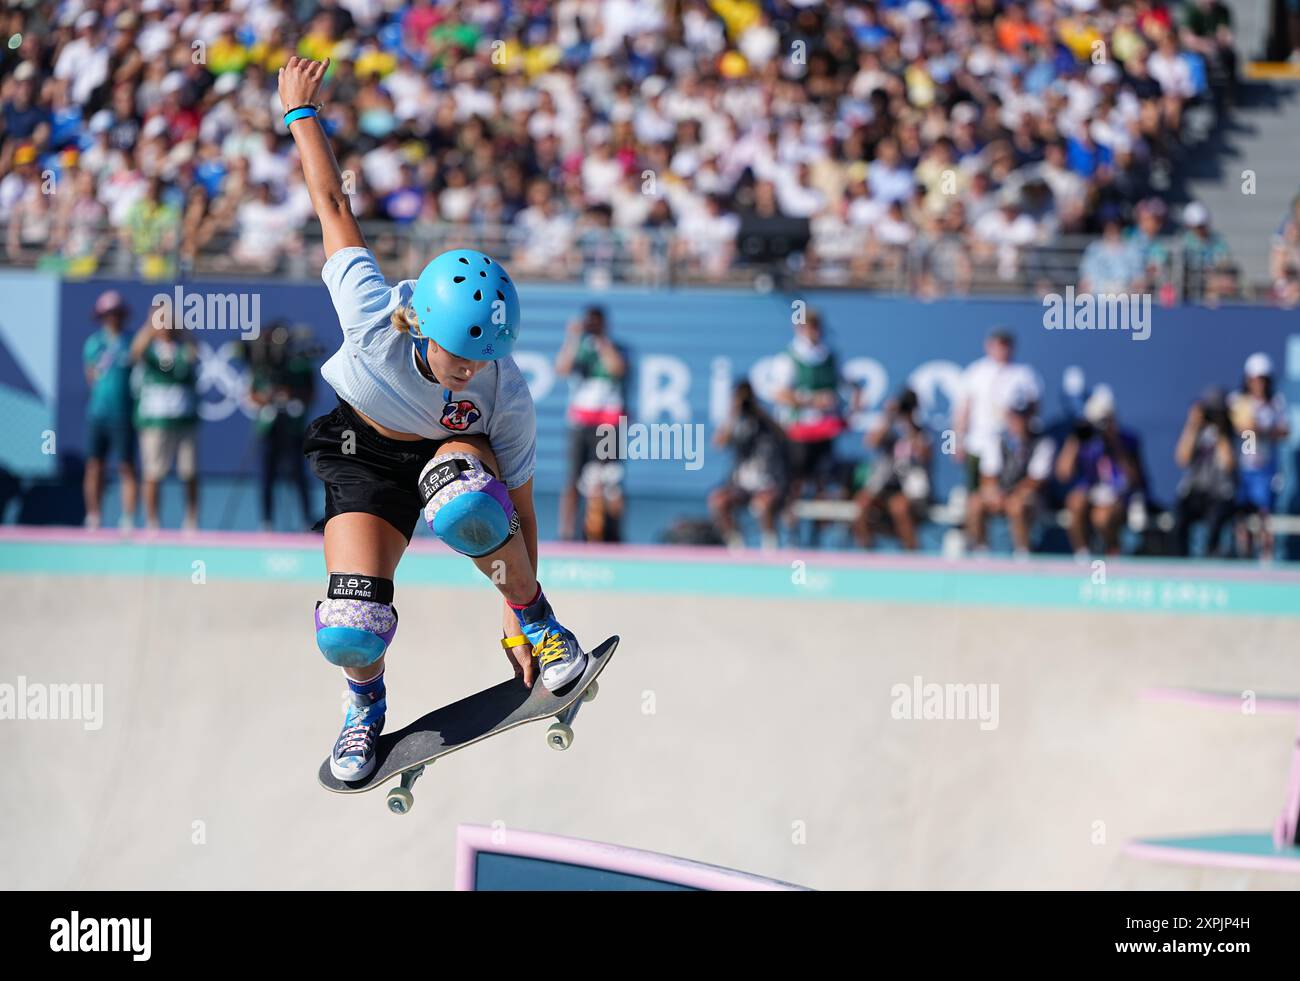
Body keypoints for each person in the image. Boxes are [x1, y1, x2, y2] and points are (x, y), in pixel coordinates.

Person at [279, 57, 587, 784]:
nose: (472, 369)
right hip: (362, 457)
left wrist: (523, 612)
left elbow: (522, 506)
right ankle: (364, 706)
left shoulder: (503, 391)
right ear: (420, 324)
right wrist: (300, 115)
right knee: (350, 627)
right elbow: (332, 204)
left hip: (450, 459)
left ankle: (550, 627)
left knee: (466, 496)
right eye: (459, 356)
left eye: (485, 358)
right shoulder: (371, 315)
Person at [770, 309, 850, 537]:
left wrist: (849, 400)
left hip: (824, 431)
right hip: (798, 432)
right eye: (808, 326)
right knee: (794, 480)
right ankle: (791, 528)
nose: (813, 331)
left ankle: (819, 535)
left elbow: (843, 384)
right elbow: (779, 393)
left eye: (816, 326)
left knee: (823, 480)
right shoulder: (789, 358)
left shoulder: (829, 356)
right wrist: (812, 401)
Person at [554, 305, 628, 542]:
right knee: (573, 481)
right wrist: (574, 337)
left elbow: (617, 369)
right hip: (580, 421)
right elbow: (562, 369)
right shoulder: (578, 348)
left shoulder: (616, 348)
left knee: (610, 483)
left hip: (608, 422)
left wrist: (602, 341)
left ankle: (614, 533)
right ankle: (566, 534)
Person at [129, 304, 201, 531]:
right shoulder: (151, 349)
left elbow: (195, 353)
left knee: (188, 472)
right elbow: (136, 351)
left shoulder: (182, 349)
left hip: (183, 422)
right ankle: (152, 522)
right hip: (155, 422)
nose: (165, 326)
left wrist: (181, 328)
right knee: (153, 472)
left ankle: (191, 521)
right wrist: (151, 324)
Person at [243, 321, 319, 531]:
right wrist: (267, 399)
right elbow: (251, 394)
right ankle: (266, 521)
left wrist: (290, 395)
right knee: (267, 475)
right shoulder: (260, 366)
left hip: (293, 428)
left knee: (298, 473)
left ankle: (306, 519)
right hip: (268, 428)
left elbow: (310, 394)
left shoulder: (299, 365)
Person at [966, 385, 1056, 557]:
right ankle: (980, 554)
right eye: (1015, 414)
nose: (1018, 420)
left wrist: (1010, 496)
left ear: (1031, 415)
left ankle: (1023, 555)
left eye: (1023, 415)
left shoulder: (1043, 442)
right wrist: (995, 494)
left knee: (1017, 505)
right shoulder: (996, 440)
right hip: (1002, 495)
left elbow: (1036, 480)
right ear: (1008, 415)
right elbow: (988, 476)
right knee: (975, 502)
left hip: (1032, 499)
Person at [1055, 387, 1142, 557]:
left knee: (1101, 518)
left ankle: (1112, 555)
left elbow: (1134, 480)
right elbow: (1063, 474)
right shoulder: (1084, 441)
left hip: (1118, 495)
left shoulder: (1128, 441)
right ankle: (1083, 556)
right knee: (1075, 501)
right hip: (1092, 492)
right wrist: (1076, 438)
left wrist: (1115, 443)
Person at [953, 328, 1041, 495]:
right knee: (975, 495)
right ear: (988, 346)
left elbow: (1033, 409)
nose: (1002, 349)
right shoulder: (975, 372)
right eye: (998, 344)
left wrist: (1020, 436)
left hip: (1012, 445)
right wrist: (954, 444)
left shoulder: (1025, 374)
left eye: (1006, 345)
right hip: (978, 443)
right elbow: (961, 412)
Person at [82, 290, 138, 531]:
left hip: (124, 415)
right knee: (95, 465)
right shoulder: (94, 343)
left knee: (126, 466)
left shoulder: (132, 341)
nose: (112, 318)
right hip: (98, 414)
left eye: (115, 313)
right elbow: (91, 377)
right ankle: (93, 516)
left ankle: (127, 519)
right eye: (107, 314)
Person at [709, 380, 788, 549]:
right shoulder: (736, 422)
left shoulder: (765, 421)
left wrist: (758, 410)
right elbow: (719, 443)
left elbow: (783, 434)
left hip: (768, 482)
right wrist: (733, 413)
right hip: (742, 484)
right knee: (718, 501)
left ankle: (769, 547)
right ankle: (736, 546)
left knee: (761, 505)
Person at [851, 389, 931, 551]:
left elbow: (924, 456)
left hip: (911, 490)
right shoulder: (889, 430)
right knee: (862, 502)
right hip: (884, 486)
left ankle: (911, 554)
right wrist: (888, 417)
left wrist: (910, 426)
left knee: (899, 506)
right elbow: (870, 442)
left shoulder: (923, 431)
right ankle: (866, 553)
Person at [1229, 354, 1289, 559]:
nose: (1258, 384)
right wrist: (1245, 426)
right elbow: (1234, 426)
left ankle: (1265, 557)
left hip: (1264, 470)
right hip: (1243, 469)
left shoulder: (1275, 404)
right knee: (1241, 516)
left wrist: (1261, 430)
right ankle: (1243, 554)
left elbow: (1284, 431)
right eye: (1255, 379)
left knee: (1264, 516)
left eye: (1262, 379)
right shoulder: (1238, 401)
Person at [1172, 386, 1238, 557]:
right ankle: (1179, 561)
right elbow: (1182, 459)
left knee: (1215, 521)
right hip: (1195, 492)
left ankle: (1210, 560)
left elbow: (1229, 464)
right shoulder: (1196, 431)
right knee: (1179, 519)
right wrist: (1192, 425)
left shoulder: (1237, 433)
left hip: (1221, 494)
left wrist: (1221, 430)